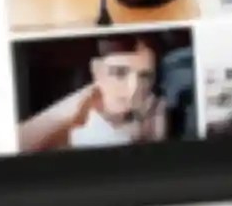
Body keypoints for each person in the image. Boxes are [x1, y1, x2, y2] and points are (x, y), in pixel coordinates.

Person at [19, 34, 168, 152]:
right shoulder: (80, 125)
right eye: (119, 73)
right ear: (96, 71)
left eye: (145, 76)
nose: (134, 88)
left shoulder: (155, 113)